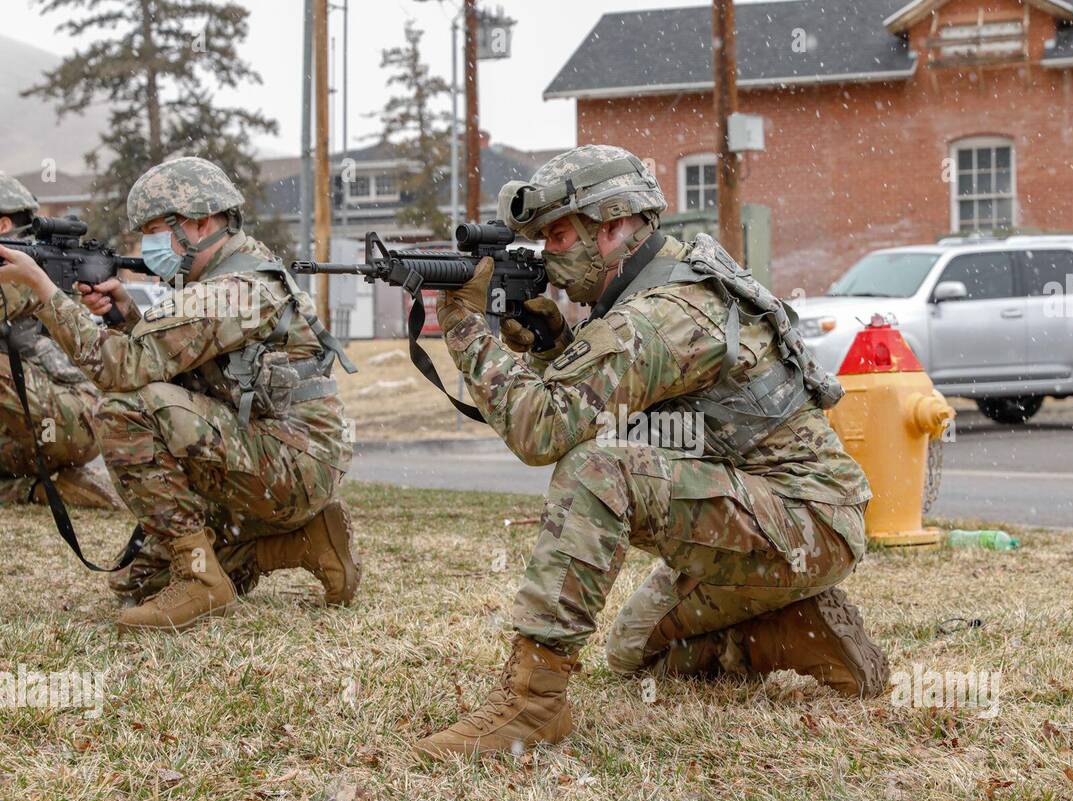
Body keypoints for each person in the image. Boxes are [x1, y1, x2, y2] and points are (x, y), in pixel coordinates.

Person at [415, 145, 887, 759]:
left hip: (804, 518)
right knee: (637, 650)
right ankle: (793, 629)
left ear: (612, 227)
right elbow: (614, 403)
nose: (547, 257)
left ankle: (533, 704)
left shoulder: (664, 314)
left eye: (558, 236)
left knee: (598, 470)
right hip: (769, 510)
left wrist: (463, 326)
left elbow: (544, 432)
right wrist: (551, 346)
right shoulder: (663, 279)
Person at [0, 156, 361, 631]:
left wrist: (42, 291)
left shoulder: (233, 291)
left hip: (293, 462)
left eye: (154, 230)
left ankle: (201, 583)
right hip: (278, 452)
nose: (148, 245)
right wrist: (124, 314)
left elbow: (120, 370)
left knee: (125, 411)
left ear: (199, 221)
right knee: (140, 581)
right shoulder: (225, 279)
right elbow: (174, 365)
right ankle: (304, 540)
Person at [0, 173, 118, 509]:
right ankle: (44, 491)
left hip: (74, 420)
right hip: (37, 425)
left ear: (3, 224)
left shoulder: (26, 271)